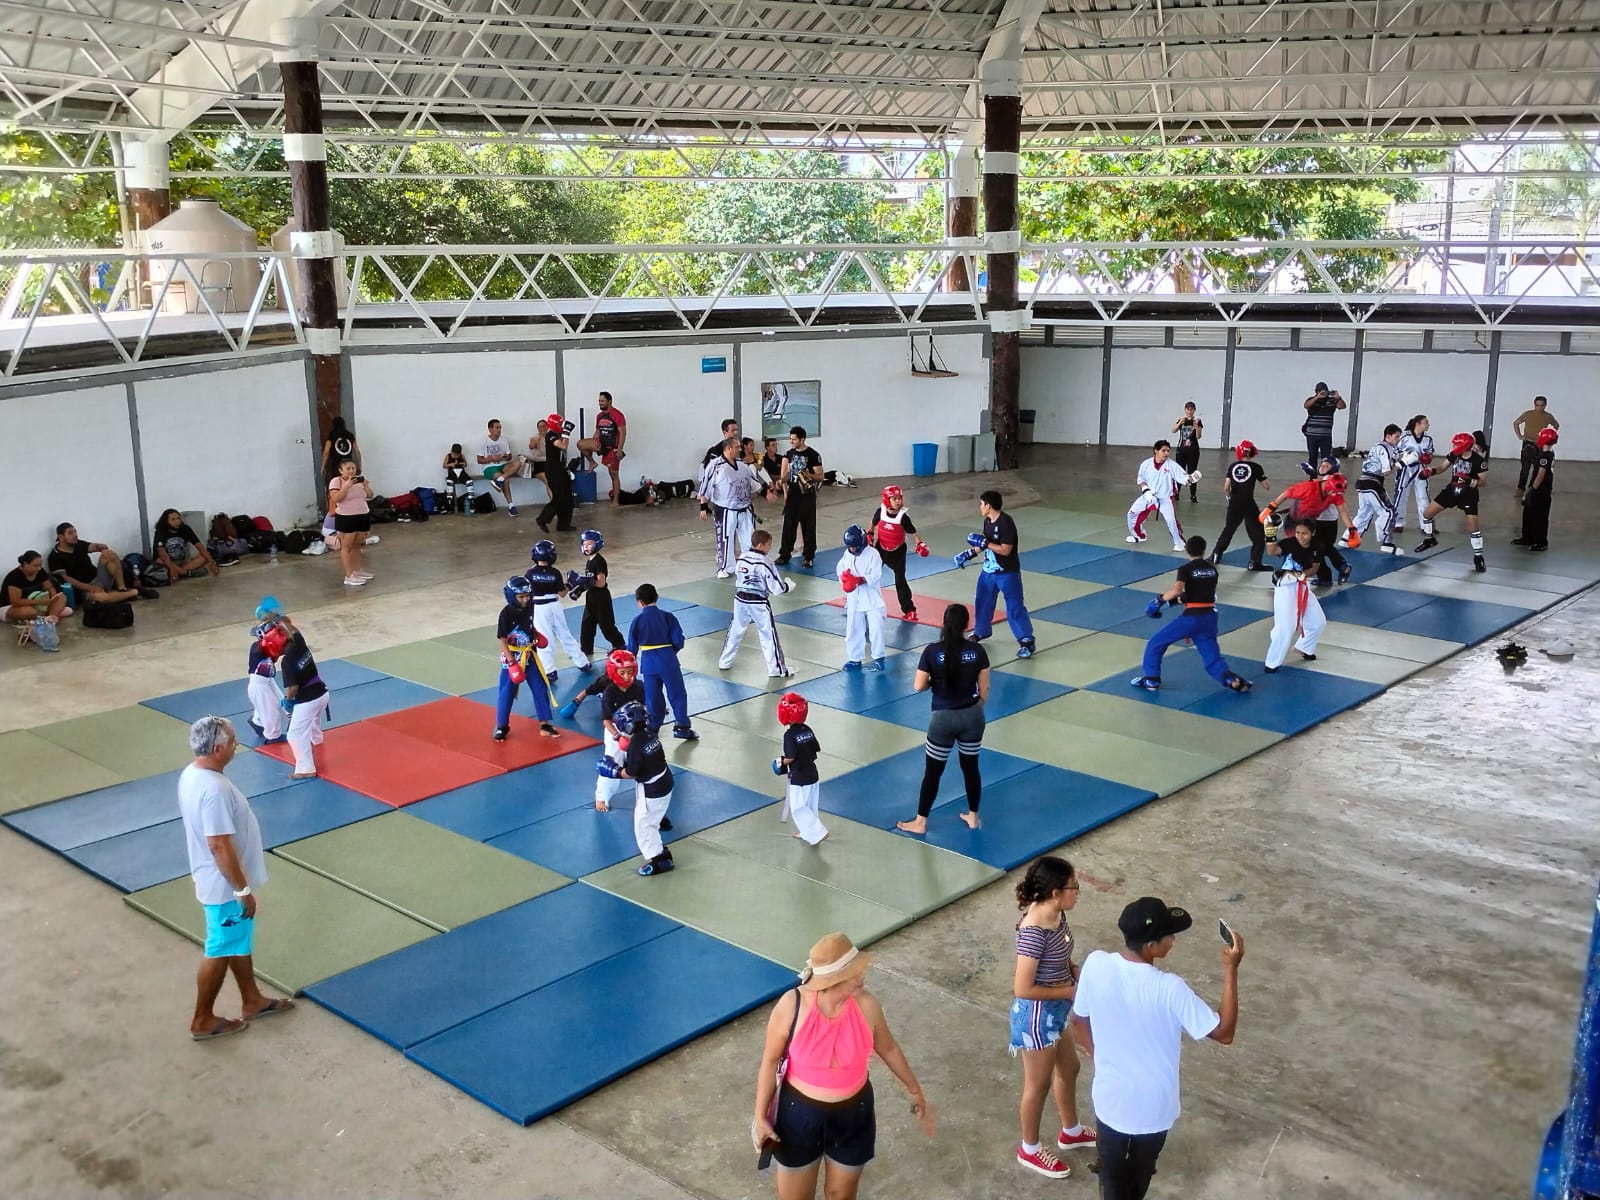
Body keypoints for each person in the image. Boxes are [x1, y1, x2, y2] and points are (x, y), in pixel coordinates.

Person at [1071, 898, 1243, 1200]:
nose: (1173, 941)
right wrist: (1231, 968)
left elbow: (1078, 1019)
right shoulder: (1169, 988)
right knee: (1138, 1178)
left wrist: (1098, 1057)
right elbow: (1224, 1033)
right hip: (1153, 1110)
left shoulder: (1096, 964)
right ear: (1151, 946)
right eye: (1169, 937)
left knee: (1111, 1176)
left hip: (1110, 1101)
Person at [752, 932, 935, 1200]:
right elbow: (769, 1062)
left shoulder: (867, 1005)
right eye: (855, 971)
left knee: (841, 1195)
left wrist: (914, 1088)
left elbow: (889, 1048)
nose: (863, 974)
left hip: (853, 1115)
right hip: (798, 1116)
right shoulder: (791, 1006)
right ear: (833, 980)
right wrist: (760, 1117)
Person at [178, 715, 295, 1040]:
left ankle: (251, 1000)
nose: (237, 744)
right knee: (219, 948)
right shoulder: (213, 790)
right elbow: (218, 844)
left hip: (219, 883)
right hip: (224, 888)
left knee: (235, 941)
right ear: (217, 748)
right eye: (232, 741)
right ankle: (202, 1020)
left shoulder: (193, 773)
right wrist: (241, 889)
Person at [1011, 856, 1095, 1179]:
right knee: (1038, 1085)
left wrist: (1073, 971)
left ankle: (1070, 1131)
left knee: (1070, 1068)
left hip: (1055, 1011)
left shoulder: (1056, 915)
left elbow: (1061, 951)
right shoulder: (1035, 930)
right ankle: (1029, 1149)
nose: (1077, 891)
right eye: (1074, 886)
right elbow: (1022, 987)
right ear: (1056, 892)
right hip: (1036, 1017)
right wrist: (1068, 992)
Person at [895, 602, 988, 836]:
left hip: (943, 719)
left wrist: (934, 683)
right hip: (973, 716)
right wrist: (974, 708)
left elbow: (918, 686)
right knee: (971, 768)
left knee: (933, 772)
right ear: (967, 625)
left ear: (944, 623)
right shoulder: (977, 651)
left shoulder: (932, 651)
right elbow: (984, 688)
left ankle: (921, 821)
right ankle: (973, 817)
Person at [1129, 536, 1252, 693]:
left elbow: (1177, 590)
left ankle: (1151, 680)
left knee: (1155, 643)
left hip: (1192, 618)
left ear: (1186, 550)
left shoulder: (1185, 569)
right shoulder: (1212, 569)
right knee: (1211, 656)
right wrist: (1173, 602)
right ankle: (1230, 679)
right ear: (1204, 550)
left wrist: (1158, 601)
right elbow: (1202, 593)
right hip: (1210, 617)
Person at [595, 700, 677, 875]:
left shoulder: (634, 747)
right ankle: (661, 848)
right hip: (664, 779)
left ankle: (659, 860)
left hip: (652, 788)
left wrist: (613, 771)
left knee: (643, 824)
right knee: (650, 818)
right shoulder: (650, 734)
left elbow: (631, 773)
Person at [256, 598, 330, 780]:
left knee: (295, 734)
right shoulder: (298, 642)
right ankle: (317, 739)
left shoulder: (287, 662)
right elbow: (293, 628)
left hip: (309, 700)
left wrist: (288, 701)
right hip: (323, 694)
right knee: (313, 721)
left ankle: (306, 768)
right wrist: (277, 620)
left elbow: (293, 688)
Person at [1260, 463, 1352, 586]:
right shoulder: (1308, 488)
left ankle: (1324, 576)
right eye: (1332, 491)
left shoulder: (1334, 494)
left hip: (1309, 523)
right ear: (1328, 485)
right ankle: (1290, 570)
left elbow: (1343, 511)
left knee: (1317, 547)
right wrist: (1270, 508)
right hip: (1294, 523)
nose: (1333, 495)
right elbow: (1287, 493)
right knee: (1300, 549)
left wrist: (1352, 529)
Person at [970, 491, 1038, 658]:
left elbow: (1005, 550)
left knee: (1014, 606)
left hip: (1007, 572)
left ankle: (1026, 641)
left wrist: (985, 543)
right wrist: (970, 553)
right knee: (982, 600)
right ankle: (981, 631)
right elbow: (986, 544)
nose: (980, 507)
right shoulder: (987, 522)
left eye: (981, 504)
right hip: (988, 570)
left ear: (988, 505)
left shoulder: (1006, 523)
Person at [720, 528, 794, 678]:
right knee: (768, 634)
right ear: (760, 545)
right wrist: (788, 586)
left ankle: (724, 661)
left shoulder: (742, 557)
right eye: (768, 545)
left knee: (735, 630)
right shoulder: (766, 562)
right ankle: (777, 669)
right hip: (758, 602)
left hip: (740, 599)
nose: (769, 548)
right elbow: (777, 588)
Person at [627, 583, 697, 740]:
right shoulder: (668, 617)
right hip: (668, 660)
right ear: (657, 597)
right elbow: (678, 640)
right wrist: (670, 652)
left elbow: (631, 648)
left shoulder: (637, 621)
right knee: (677, 694)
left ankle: (653, 727)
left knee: (652, 696)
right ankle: (682, 727)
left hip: (648, 663)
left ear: (639, 602)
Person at [1415, 431, 1490, 572]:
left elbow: (1483, 482)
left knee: (1473, 527)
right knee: (1427, 514)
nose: (1454, 446)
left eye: (1457, 444)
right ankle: (1429, 538)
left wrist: (1469, 481)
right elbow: (1442, 468)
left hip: (1468, 494)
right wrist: (1430, 471)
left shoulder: (1479, 461)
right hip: (1452, 490)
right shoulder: (1454, 455)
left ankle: (1478, 557)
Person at [494, 576, 558, 740]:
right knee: (506, 692)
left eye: (527, 596)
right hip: (512, 657)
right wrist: (511, 662)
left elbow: (528, 625)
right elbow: (502, 639)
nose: (525, 600)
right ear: (511, 596)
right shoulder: (506, 613)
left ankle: (544, 723)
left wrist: (536, 635)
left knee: (540, 688)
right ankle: (502, 726)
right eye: (521, 597)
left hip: (529, 655)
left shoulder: (530, 607)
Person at [1263, 519, 1331, 672]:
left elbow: (1314, 568)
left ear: (1312, 533)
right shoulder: (1289, 543)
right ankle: (1272, 662)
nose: (1300, 536)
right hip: (1285, 587)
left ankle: (1303, 648)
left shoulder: (1318, 547)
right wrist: (1270, 534)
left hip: (1301, 584)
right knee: (1285, 627)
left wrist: (1302, 575)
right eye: (1298, 533)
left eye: (1304, 534)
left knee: (1318, 621)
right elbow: (1271, 551)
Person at [591, 650, 645, 813]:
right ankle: (601, 797)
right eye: (622, 673)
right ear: (614, 672)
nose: (627, 677)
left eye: (630, 672)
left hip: (637, 729)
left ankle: (646, 797)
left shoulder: (638, 687)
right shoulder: (609, 692)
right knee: (612, 762)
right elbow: (606, 720)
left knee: (644, 762)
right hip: (616, 731)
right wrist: (617, 736)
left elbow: (644, 709)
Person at [526, 540, 589, 679]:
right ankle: (582, 662)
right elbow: (562, 593)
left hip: (538, 608)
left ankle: (549, 671)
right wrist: (571, 583)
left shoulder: (529, 574)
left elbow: (526, 593)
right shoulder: (554, 572)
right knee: (565, 634)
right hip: (554, 606)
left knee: (544, 638)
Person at [867, 485, 929, 621]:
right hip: (881, 549)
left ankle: (909, 609)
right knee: (870, 576)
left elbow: (914, 533)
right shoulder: (880, 512)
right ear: (886, 500)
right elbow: (872, 524)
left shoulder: (903, 517)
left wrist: (920, 544)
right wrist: (869, 535)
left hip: (898, 552)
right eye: (894, 499)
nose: (898, 501)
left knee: (900, 580)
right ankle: (862, 603)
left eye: (899, 498)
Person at [702, 436, 761, 578]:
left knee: (750, 538)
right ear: (728, 448)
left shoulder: (742, 465)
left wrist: (765, 492)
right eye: (737, 447)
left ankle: (750, 565)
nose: (740, 450)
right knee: (726, 538)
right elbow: (706, 485)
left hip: (745, 508)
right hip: (725, 509)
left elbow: (752, 483)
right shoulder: (715, 466)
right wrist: (703, 506)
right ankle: (726, 567)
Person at [48, 523, 149, 604]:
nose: (75, 535)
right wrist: (91, 588)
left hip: (98, 578)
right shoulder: (54, 556)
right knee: (101, 599)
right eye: (70, 533)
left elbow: (95, 546)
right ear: (61, 537)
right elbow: (67, 579)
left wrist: (102, 548)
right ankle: (135, 592)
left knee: (109, 554)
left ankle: (122, 589)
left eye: (75, 532)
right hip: (83, 588)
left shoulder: (78, 544)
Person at [775, 692, 827, 845]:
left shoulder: (789, 735)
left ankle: (818, 832)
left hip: (798, 777)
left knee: (798, 807)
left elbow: (790, 757)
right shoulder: (807, 729)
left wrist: (781, 762)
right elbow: (816, 748)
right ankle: (807, 833)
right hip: (812, 773)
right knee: (810, 805)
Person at [1346, 425, 1407, 555]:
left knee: (1364, 513)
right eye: (1396, 437)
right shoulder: (1386, 448)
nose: (1398, 440)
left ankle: (1346, 538)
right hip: (1372, 483)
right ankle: (1386, 543)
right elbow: (1386, 471)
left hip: (1363, 482)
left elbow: (1391, 458)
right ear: (1388, 436)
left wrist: (1401, 456)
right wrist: (1401, 464)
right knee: (1389, 512)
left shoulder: (1378, 446)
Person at [1208, 441, 1268, 569]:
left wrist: (1230, 496)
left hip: (1235, 501)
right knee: (1257, 532)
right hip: (1248, 502)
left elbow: (1226, 487)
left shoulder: (1233, 466)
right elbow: (1266, 486)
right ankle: (1254, 562)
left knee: (1229, 529)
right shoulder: (1256, 467)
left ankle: (1216, 555)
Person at [1125, 442, 1192, 552]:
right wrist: (1146, 491)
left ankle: (1179, 543)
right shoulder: (1146, 464)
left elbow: (1184, 478)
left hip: (1165, 498)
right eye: (1163, 450)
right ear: (1156, 451)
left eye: (1168, 451)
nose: (1166, 453)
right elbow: (1141, 480)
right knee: (1132, 514)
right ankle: (1139, 535)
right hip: (1148, 496)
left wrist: (1190, 479)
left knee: (1171, 520)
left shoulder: (1172, 465)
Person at [570, 529, 625, 661]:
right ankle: (586, 648)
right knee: (587, 624)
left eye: (589, 544)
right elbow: (590, 580)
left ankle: (619, 645)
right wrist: (579, 589)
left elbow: (600, 582)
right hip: (591, 596)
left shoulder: (599, 561)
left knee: (606, 625)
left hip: (601, 597)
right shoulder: (590, 561)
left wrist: (583, 580)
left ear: (597, 544)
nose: (586, 546)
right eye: (584, 544)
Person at [838, 524, 886, 671]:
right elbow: (840, 568)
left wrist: (860, 580)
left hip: (871, 596)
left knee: (876, 627)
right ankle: (854, 659)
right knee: (853, 628)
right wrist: (845, 578)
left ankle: (879, 658)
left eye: (854, 546)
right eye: (850, 547)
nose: (852, 549)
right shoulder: (847, 554)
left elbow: (876, 574)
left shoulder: (873, 554)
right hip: (854, 598)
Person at [776, 426, 824, 568]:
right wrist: (781, 481)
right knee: (789, 525)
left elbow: (821, 476)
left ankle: (808, 556)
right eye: (790, 439)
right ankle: (784, 553)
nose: (791, 441)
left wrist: (810, 475)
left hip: (807, 493)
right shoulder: (789, 454)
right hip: (793, 492)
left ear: (802, 439)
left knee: (808, 525)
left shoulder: (813, 455)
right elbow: (787, 473)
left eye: (794, 439)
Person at [327, 459, 375, 587]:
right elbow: (336, 498)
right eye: (348, 468)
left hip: (362, 515)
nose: (351, 471)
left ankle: (357, 571)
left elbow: (370, 495)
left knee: (357, 545)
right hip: (346, 517)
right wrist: (346, 486)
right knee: (347, 546)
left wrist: (365, 485)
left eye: (353, 468)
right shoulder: (336, 482)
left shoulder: (359, 481)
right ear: (341, 470)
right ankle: (349, 575)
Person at [580, 391, 628, 505]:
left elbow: (623, 433)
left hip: (612, 448)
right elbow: (597, 431)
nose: (600, 403)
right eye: (599, 401)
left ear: (609, 401)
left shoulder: (617, 415)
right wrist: (593, 443)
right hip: (601, 444)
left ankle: (616, 500)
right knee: (581, 444)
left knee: (613, 474)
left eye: (602, 401)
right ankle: (592, 462)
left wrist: (619, 450)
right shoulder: (599, 416)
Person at [1514, 427, 1557, 552]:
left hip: (1541, 491)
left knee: (1540, 517)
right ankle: (1527, 537)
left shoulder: (1546, 456)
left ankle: (1541, 541)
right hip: (1537, 489)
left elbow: (1541, 474)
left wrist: (1532, 490)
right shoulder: (1545, 453)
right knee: (1528, 513)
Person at [1392, 414, 1434, 537]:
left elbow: (1430, 453)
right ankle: (1398, 523)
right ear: (1418, 424)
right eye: (1425, 422)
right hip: (1405, 469)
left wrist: (1427, 458)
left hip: (1421, 469)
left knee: (1423, 497)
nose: (1428, 424)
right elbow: (1395, 452)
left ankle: (1426, 525)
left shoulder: (1428, 439)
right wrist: (1405, 456)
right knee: (1401, 495)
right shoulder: (1405, 437)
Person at [5, 551, 73, 628]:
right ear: (25, 564)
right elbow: (15, 602)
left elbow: (50, 587)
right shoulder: (14, 577)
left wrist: (54, 597)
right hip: (12, 607)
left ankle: (49, 619)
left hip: (36, 602)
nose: (39, 568)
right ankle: (50, 615)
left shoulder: (40, 572)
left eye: (40, 565)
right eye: (35, 566)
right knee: (29, 612)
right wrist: (39, 601)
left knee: (62, 597)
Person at [152, 508, 221, 580]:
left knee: (204, 556)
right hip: (167, 562)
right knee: (160, 560)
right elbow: (163, 555)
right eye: (173, 519)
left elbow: (200, 547)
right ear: (166, 521)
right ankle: (187, 573)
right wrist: (172, 569)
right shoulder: (160, 531)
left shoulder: (185, 529)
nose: (177, 522)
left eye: (178, 518)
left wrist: (212, 563)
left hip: (182, 562)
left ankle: (181, 572)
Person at [246, 622, 286, 744]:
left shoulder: (268, 648)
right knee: (270, 710)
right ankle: (273, 736)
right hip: (258, 685)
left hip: (266, 681)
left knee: (279, 701)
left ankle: (257, 720)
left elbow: (278, 651)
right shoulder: (257, 648)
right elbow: (273, 649)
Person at [1512, 395, 1559, 499]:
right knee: (1525, 468)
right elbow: (1516, 423)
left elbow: (1556, 425)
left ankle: (1532, 489)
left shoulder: (1548, 416)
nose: (1539, 408)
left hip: (1541, 444)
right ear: (1534, 405)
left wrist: (1549, 437)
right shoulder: (1528, 414)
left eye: (1542, 405)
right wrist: (1520, 436)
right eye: (1537, 405)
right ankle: (1520, 489)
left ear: (1545, 406)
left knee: (1538, 468)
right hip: (1528, 443)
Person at [537, 412, 577, 532]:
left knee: (568, 500)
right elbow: (564, 446)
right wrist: (567, 433)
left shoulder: (556, 434)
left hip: (560, 470)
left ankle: (563, 525)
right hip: (554, 472)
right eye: (559, 423)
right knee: (559, 499)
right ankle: (542, 519)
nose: (562, 425)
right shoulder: (550, 436)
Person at [477, 418, 523, 516]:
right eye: (497, 428)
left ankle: (499, 480)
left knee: (518, 463)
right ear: (490, 429)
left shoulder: (504, 440)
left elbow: (509, 456)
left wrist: (504, 457)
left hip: (502, 464)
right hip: (489, 467)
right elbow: (479, 460)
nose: (499, 430)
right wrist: (491, 459)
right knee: (506, 480)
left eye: (500, 427)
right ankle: (511, 506)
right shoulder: (483, 441)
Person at [698, 418, 741, 525]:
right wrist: (703, 505)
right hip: (721, 495)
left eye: (736, 430)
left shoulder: (739, 448)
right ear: (724, 432)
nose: (735, 433)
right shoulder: (716, 451)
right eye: (732, 430)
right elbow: (709, 477)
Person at [1301, 381, 1346, 463]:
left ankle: (1325, 475)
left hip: (1326, 435)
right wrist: (1317, 397)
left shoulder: (1332, 401)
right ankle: (1313, 475)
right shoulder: (1312, 400)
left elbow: (1342, 406)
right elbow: (1306, 405)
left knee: (1326, 458)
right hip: (1312, 434)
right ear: (1316, 391)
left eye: (1324, 391)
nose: (1323, 393)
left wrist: (1338, 398)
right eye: (1320, 391)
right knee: (1312, 456)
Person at [1171, 402, 1204, 503]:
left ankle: (1193, 495)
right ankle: (1176, 493)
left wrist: (1196, 426)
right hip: (1181, 450)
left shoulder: (1198, 421)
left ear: (1194, 410)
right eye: (1188, 409)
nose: (1189, 411)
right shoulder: (1182, 420)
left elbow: (1198, 436)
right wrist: (1179, 423)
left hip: (1193, 450)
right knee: (1179, 471)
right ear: (1185, 410)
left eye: (1191, 409)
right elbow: (1173, 430)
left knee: (1192, 472)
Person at [320, 416, 360, 483]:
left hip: (336, 465)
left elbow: (326, 453)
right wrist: (359, 465)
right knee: (349, 484)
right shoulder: (350, 435)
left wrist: (323, 466)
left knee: (336, 484)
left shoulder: (332, 435)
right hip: (349, 465)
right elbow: (357, 452)